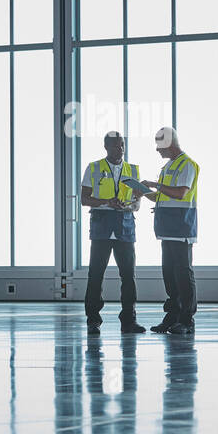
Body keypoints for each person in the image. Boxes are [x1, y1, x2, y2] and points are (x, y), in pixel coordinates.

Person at [80, 131, 146, 335]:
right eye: (116, 146)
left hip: (125, 226)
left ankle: (129, 320)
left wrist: (128, 206)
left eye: (123, 145)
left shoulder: (133, 170)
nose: (121, 149)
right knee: (95, 275)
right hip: (101, 228)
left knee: (128, 276)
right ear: (106, 147)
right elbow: (84, 199)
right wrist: (107, 202)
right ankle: (93, 320)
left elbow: (137, 202)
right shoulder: (93, 168)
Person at [141, 126, 199, 335]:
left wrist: (155, 185)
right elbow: (162, 196)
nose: (157, 149)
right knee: (170, 275)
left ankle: (186, 320)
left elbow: (181, 193)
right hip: (166, 230)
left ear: (169, 143)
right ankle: (173, 316)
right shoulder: (167, 168)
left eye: (159, 144)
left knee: (183, 275)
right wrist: (144, 191)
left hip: (181, 228)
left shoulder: (187, 165)